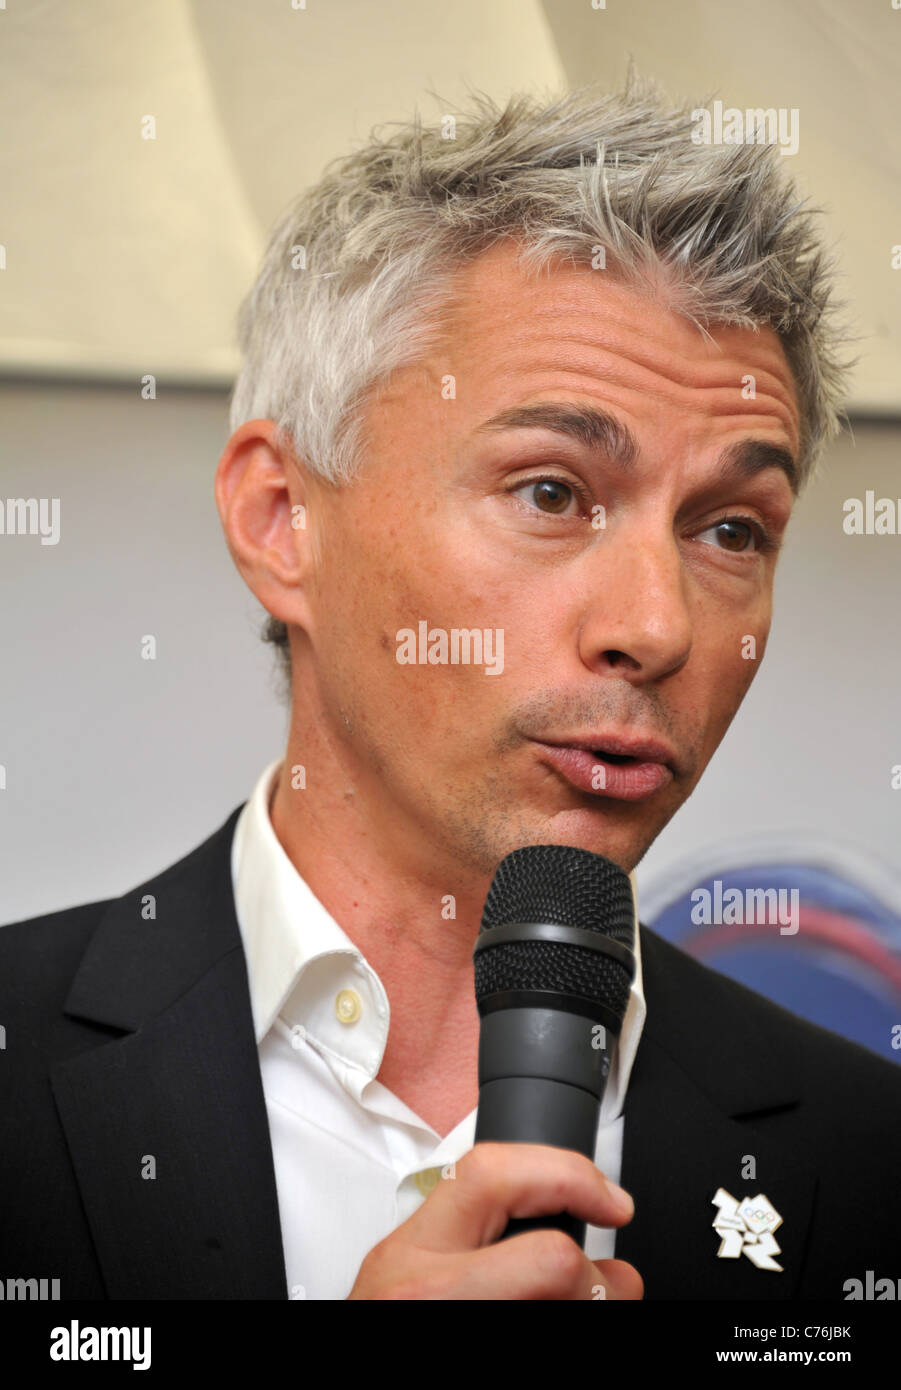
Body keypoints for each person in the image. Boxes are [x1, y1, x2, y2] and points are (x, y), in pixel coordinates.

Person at [3, 72, 900, 1302]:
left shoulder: (871, 1155)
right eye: (549, 492)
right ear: (282, 521)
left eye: (732, 529)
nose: (656, 625)